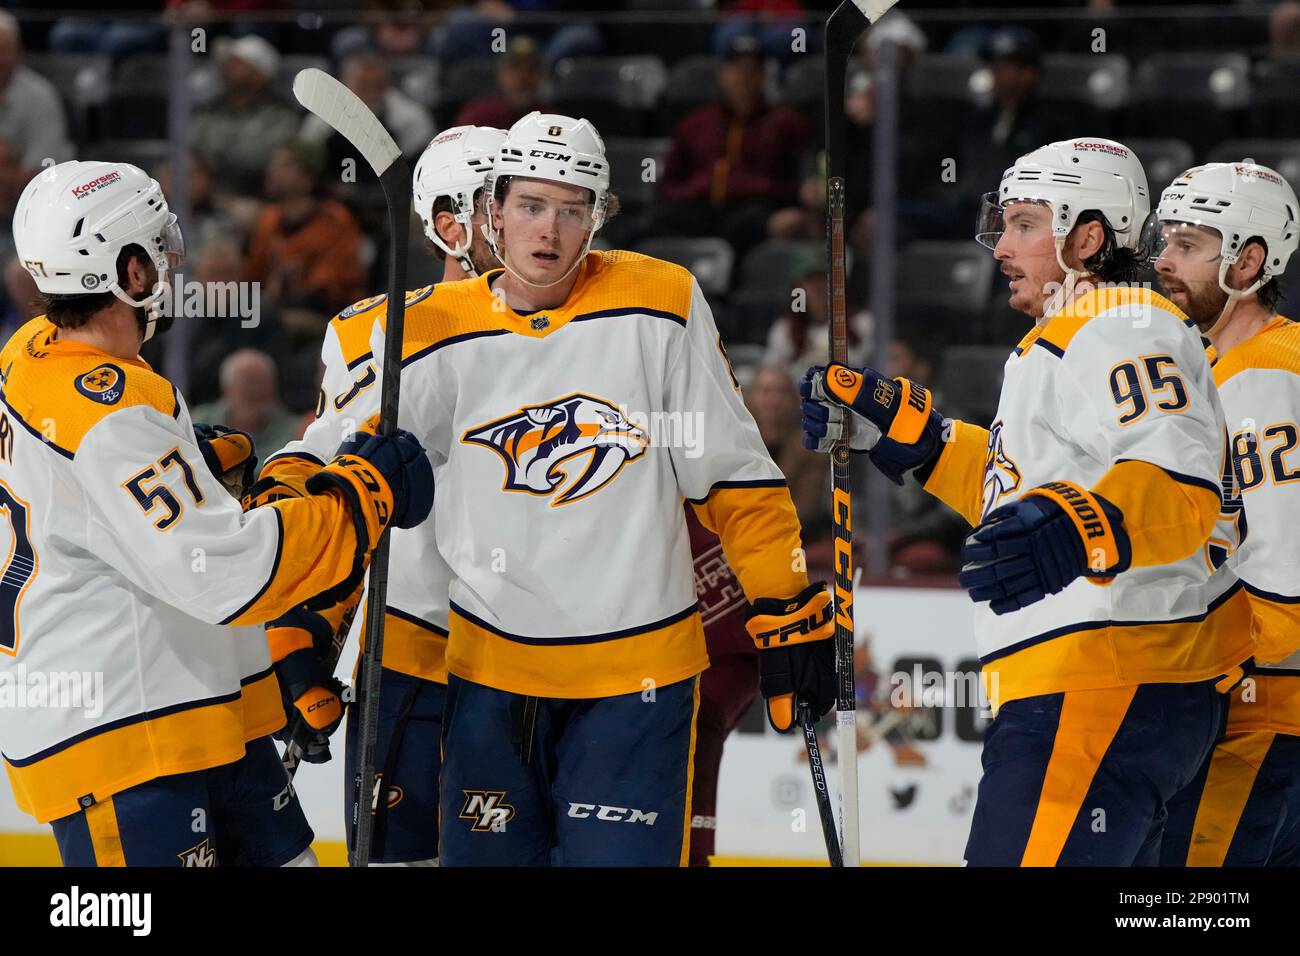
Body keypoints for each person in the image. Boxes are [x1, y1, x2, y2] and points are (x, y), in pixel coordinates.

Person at [342, 112, 834, 866]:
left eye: (574, 210)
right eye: (532, 207)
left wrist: (784, 601)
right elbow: (350, 487)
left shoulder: (660, 301)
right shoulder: (427, 329)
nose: (550, 231)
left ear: (599, 218)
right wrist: (302, 624)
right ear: (492, 212)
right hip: (488, 678)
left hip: (638, 681)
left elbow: (731, 472)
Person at [800, 138, 1254, 866]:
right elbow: (1023, 491)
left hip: (1103, 681)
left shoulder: (1119, 322)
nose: (1001, 247)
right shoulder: (1068, 335)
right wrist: (923, 441)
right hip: (1111, 684)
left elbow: (1179, 482)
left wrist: (1080, 528)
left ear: (1089, 236)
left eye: (1024, 224)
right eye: (1003, 224)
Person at [0, 160, 432, 866]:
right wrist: (360, 497)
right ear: (130, 272)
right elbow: (230, 571)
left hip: (194, 708)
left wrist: (189, 474)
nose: (174, 263)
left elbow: (82, 497)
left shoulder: (30, 353)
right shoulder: (112, 420)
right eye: (159, 249)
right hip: (121, 740)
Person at [254, 126, 506, 866]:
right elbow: (333, 473)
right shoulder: (374, 330)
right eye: (510, 202)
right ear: (450, 223)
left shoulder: (587, 327)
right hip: (414, 656)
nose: (536, 221)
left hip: (553, 659)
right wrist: (302, 623)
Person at [1153, 161, 1300, 866]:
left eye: (1187, 245)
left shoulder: (1270, 371)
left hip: (1262, 707)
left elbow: (1279, 561)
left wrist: (1230, 679)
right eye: (1165, 241)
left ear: (1249, 260)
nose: (1163, 261)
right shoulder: (1212, 369)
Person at [656, 34, 809, 259]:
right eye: (736, 69)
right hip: (698, 209)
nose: (743, 77)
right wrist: (697, 189)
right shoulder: (695, 123)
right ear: (723, 73)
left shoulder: (786, 124)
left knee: (762, 224)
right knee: (649, 224)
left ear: (763, 75)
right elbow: (669, 183)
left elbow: (799, 184)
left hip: (754, 211)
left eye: (751, 70)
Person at [190, 35, 300, 199]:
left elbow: (259, 160)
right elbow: (191, 147)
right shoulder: (210, 111)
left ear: (259, 74)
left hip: (256, 200)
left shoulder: (282, 116)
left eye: (237, 62)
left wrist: (212, 161)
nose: (227, 66)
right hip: (205, 198)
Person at [0, 12, 75, 174]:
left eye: (4, 50)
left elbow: (43, 172)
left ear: (19, 52)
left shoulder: (40, 95)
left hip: (37, 194)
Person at [191, 348, 302, 457]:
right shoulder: (199, 423)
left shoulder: (296, 432)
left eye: (263, 382)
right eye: (249, 382)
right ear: (227, 389)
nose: (257, 390)